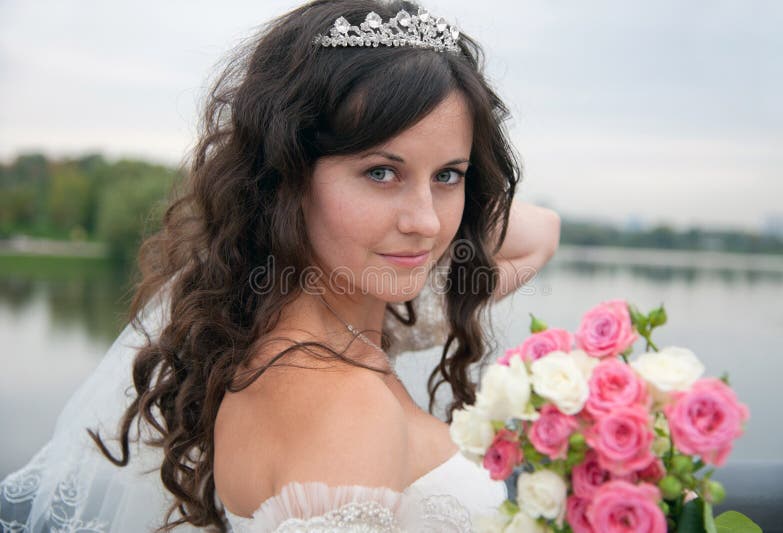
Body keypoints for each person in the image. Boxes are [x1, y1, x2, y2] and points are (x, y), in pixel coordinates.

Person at [0, 0, 561, 531]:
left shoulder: (303, 330)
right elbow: (529, 235)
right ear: (287, 179)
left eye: (448, 175)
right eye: (381, 172)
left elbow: (542, 233)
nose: (427, 222)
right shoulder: (340, 402)